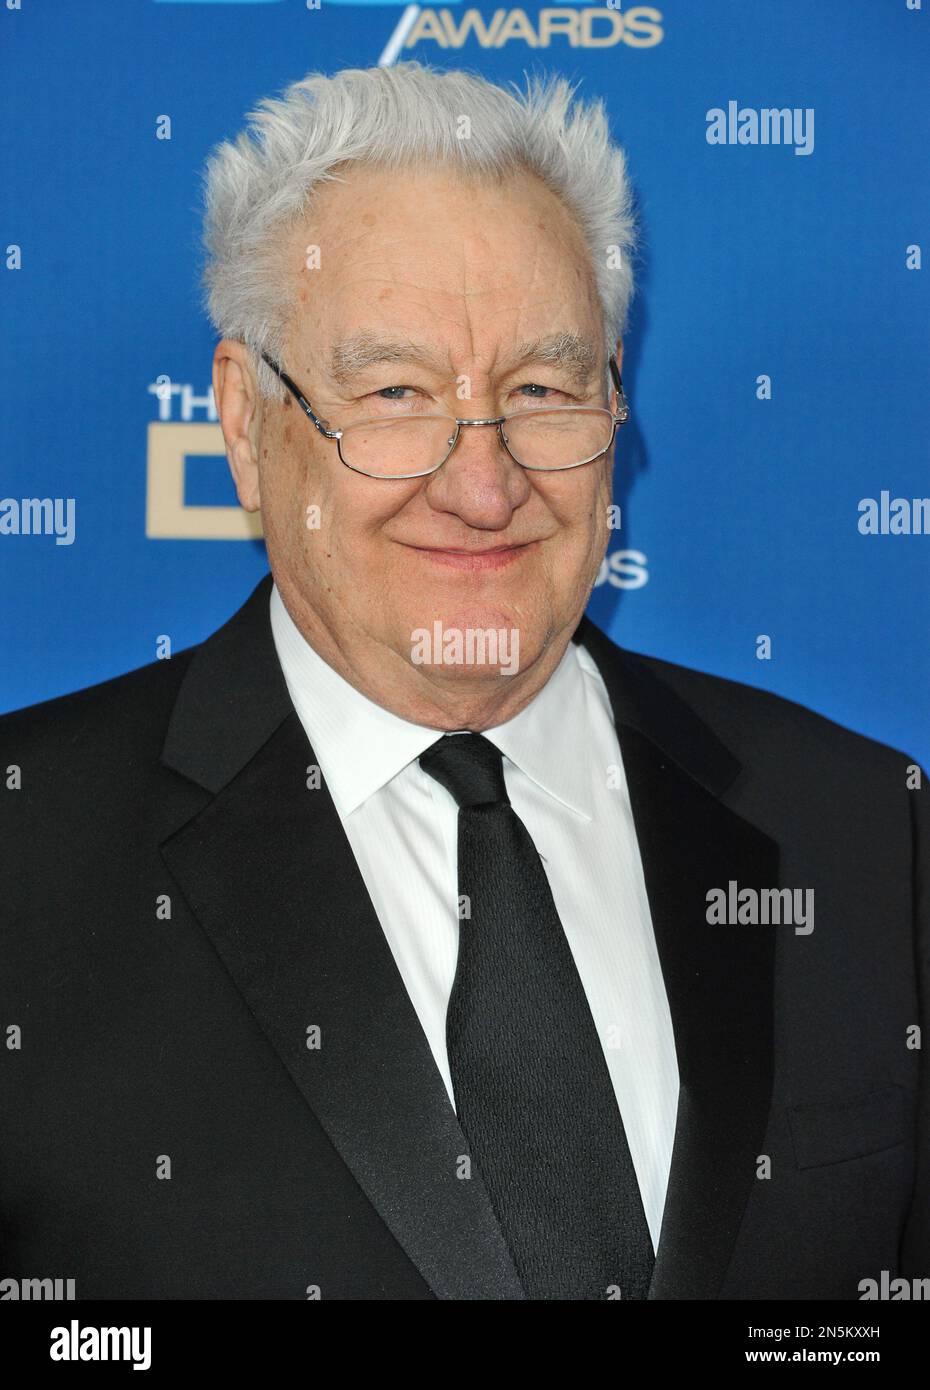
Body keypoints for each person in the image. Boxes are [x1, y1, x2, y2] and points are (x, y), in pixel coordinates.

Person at [0, 61, 926, 1301]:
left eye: (543, 392)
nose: (483, 487)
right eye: (394, 395)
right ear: (241, 419)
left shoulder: (868, 830)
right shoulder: (25, 857)